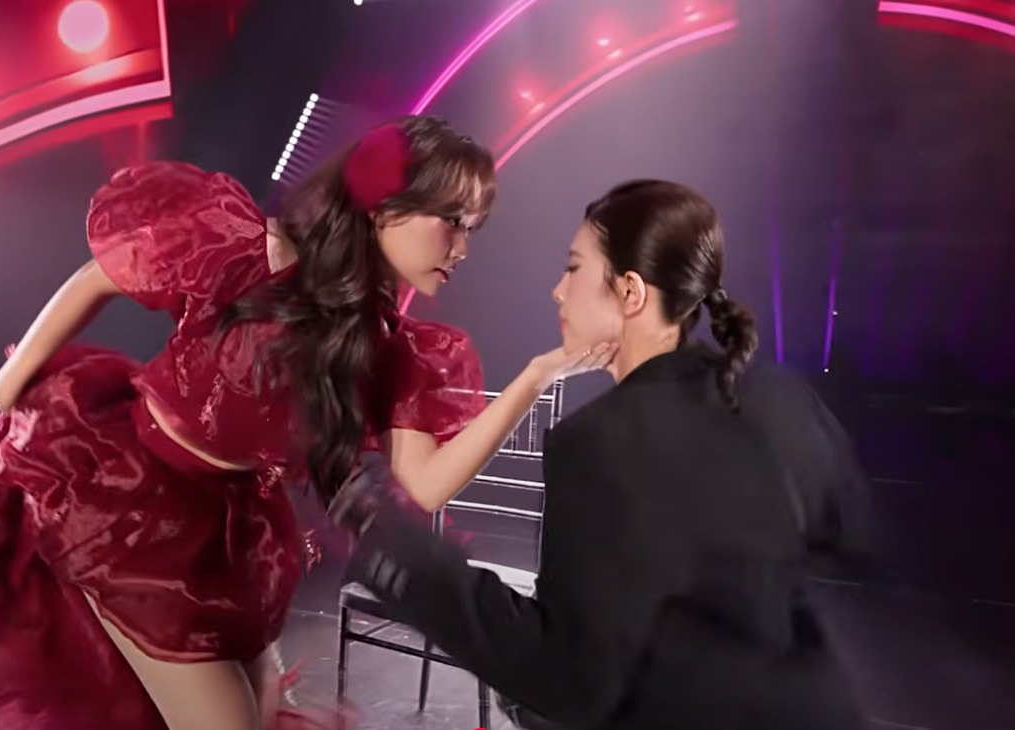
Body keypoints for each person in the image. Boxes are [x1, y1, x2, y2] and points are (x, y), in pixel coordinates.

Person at [0, 116, 614, 730]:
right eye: (453, 221)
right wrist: (13, 377)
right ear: (386, 209)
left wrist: (535, 377)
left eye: (473, 228)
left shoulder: (394, 349)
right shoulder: (252, 249)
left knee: (259, 714)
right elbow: (100, 275)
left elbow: (425, 484)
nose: (463, 247)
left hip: (229, 535)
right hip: (127, 500)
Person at [330, 180, 871, 730]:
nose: (557, 291)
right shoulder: (782, 398)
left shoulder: (598, 440)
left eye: (573, 268)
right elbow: (839, 535)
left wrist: (401, 551)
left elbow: (570, 676)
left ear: (630, 292)